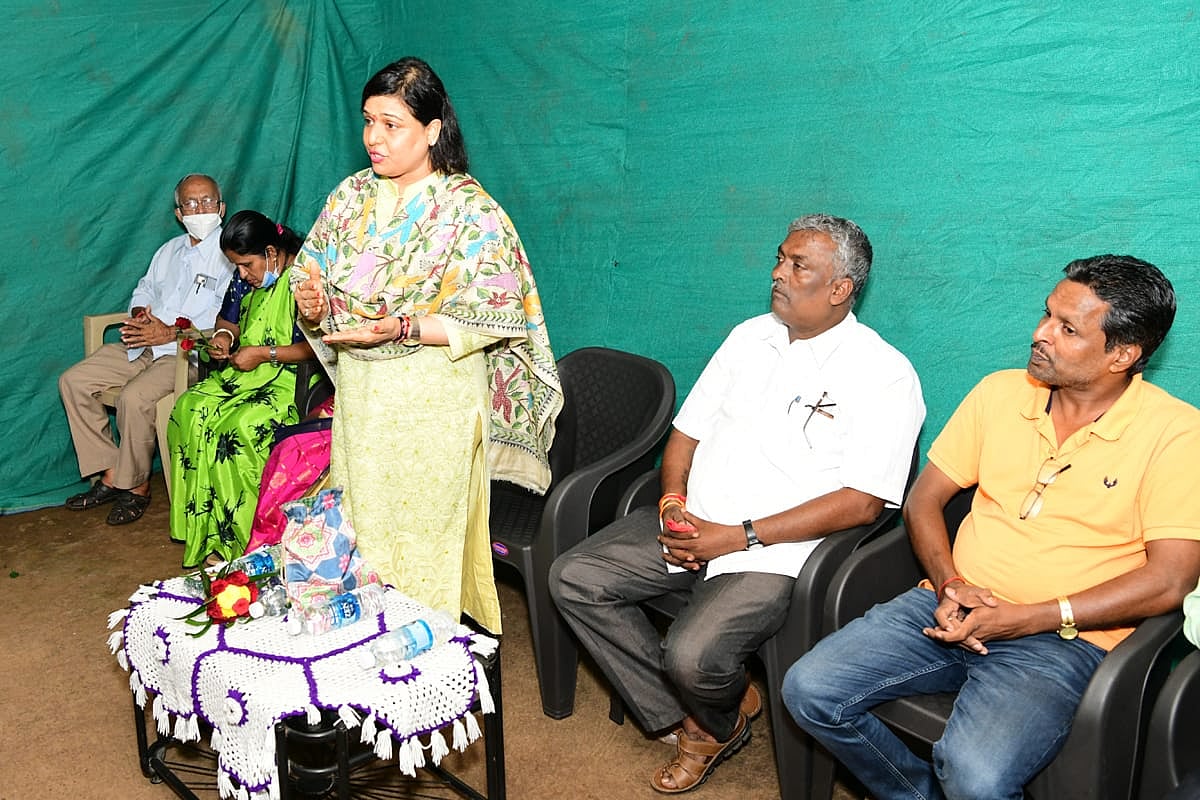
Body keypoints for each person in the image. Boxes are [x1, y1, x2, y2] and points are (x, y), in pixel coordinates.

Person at [783, 255, 1200, 800]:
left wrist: (1029, 618)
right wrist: (950, 582)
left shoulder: (1176, 435)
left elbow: (1170, 580)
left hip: (1062, 639)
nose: (1040, 334)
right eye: (1047, 315)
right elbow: (924, 499)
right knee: (808, 690)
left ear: (1122, 354)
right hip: (948, 604)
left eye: (1066, 328)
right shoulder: (1001, 393)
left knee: (975, 774)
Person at [550, 214, 925, 794]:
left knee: (694, 656)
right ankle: (705, 718)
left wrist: (737, 536)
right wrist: (673, 500)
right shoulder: (749, 337)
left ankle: (707, 706)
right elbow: (686, 434)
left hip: (772, 552)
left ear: (839, 289)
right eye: (780, 257)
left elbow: (863, 503)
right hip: (690, 523)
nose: (778, 273)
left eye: (799, 266)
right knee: (574, 577)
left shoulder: (884, 375)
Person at [290, 57, 562, 635]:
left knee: (422, 541)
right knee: (361, 526)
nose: (373, 138)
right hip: (365, 400)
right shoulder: (350, 196)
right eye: (368, 121)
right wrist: (311, 300)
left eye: (392, 124)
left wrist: (405, 327)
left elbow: (497, 313)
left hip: (431, 401)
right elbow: (308, 270)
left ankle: (419, 655)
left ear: (433, 130)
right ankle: (360, 651)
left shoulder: (470, 211)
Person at [59, 174, 233, 525]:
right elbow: (145, 289)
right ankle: (112, 472)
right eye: (191, 204)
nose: (200, 210)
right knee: (73, 381)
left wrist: (167, 332)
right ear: (178, 213)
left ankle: (136, 486)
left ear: (222, 207)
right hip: (143, 345)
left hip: (187, 352)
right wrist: (140, 314)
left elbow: (223, 322)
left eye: (208, 202)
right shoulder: (168, 251)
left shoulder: (229, 256)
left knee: (134, 398)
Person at [166, 210, 316, 567]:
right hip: (245, 374)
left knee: (238, 429)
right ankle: (206, 534)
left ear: (272, 252)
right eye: (238, 267)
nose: (243, 275)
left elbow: (319, 347)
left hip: (291, 380)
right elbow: (227, 319)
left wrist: (265, 354)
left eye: (248, 265)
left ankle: (249, 544)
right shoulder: (242, 278)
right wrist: (223, 337)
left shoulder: (306, 280)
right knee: (190, 409)